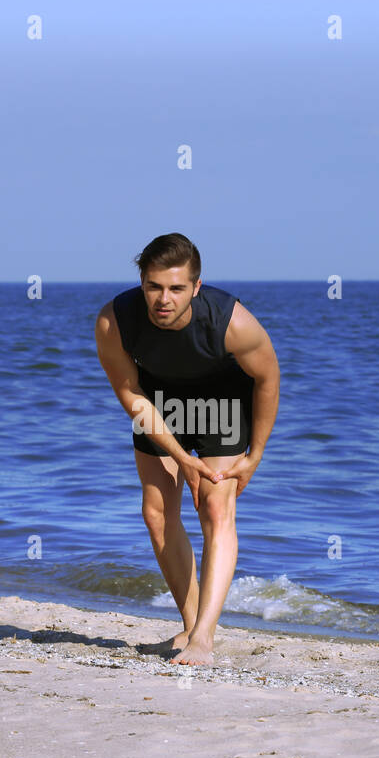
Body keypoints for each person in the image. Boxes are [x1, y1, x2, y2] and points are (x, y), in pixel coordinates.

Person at [94, 233, 280, 665]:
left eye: (176, 288)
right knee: (156, 513)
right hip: (157, 400)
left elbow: (268, 379)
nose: (164, 298)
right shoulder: (114, 321)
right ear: (142, 283)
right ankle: (192, 624)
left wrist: (256, 453)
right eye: (154, 287)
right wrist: (181, 458)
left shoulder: (232, 322)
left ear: (196, 287)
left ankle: (203, 641)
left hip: (222, 401)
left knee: (215, 509)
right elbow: (131, 395)